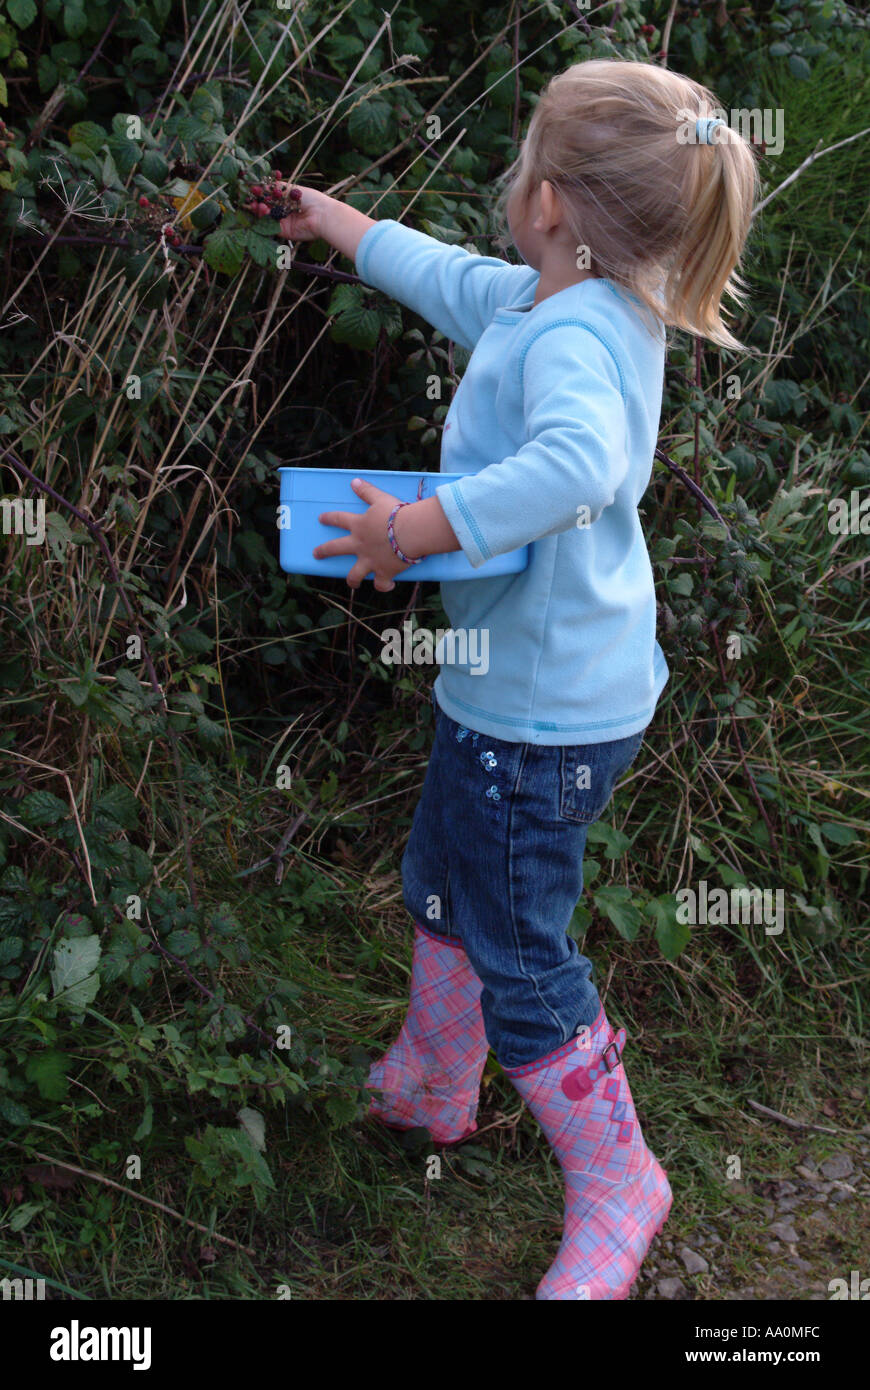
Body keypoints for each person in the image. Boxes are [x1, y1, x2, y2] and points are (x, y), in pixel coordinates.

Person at [279, 58, 759, 1300]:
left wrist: (413, 532)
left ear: (551, 201)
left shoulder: (577, 345)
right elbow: (445, 274)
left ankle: (619, 1182)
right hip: (526, 691)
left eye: (521, 162)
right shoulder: (561, 297)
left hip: (543, 714)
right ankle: (438, 1082)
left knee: (522, 944)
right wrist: (338, 223)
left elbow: (576, 468)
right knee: (447, 874)